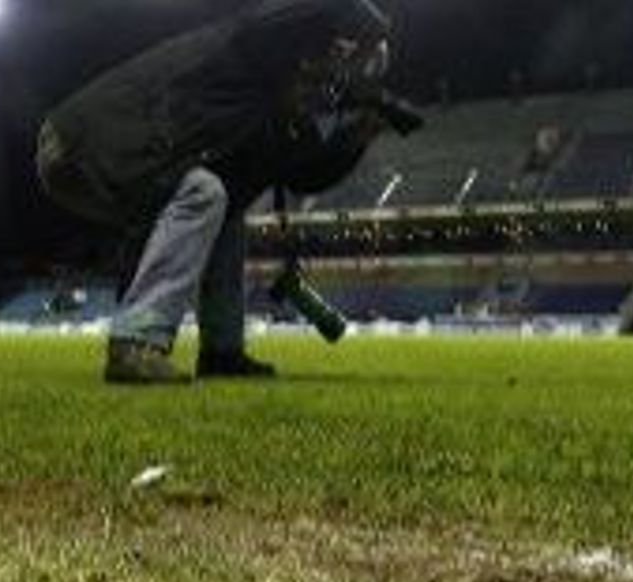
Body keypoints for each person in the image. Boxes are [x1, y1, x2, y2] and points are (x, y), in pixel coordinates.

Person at [38, 0, 398, 384]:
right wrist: (374, 32)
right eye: (330, 67)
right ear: (310, 51)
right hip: (84, 144)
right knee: (205, 190)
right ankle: (136, 341)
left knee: (228, 209)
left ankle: (222, 352)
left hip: (126, 157)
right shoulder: (253, 45)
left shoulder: (271, 111)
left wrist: (358, 136)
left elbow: (306, 177)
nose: (324, 90)